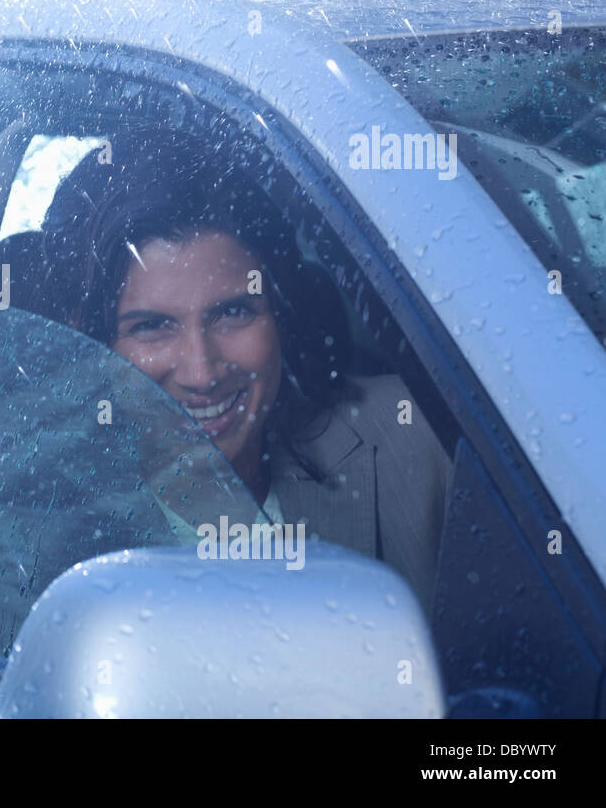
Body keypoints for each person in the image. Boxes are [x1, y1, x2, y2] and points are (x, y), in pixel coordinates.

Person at [40, 129, 451, 611]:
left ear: (283, 314)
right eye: (152, 326)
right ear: (92, 346)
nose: (201, 371)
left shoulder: (421, 438)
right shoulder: (31, 555)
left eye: (233, 313)